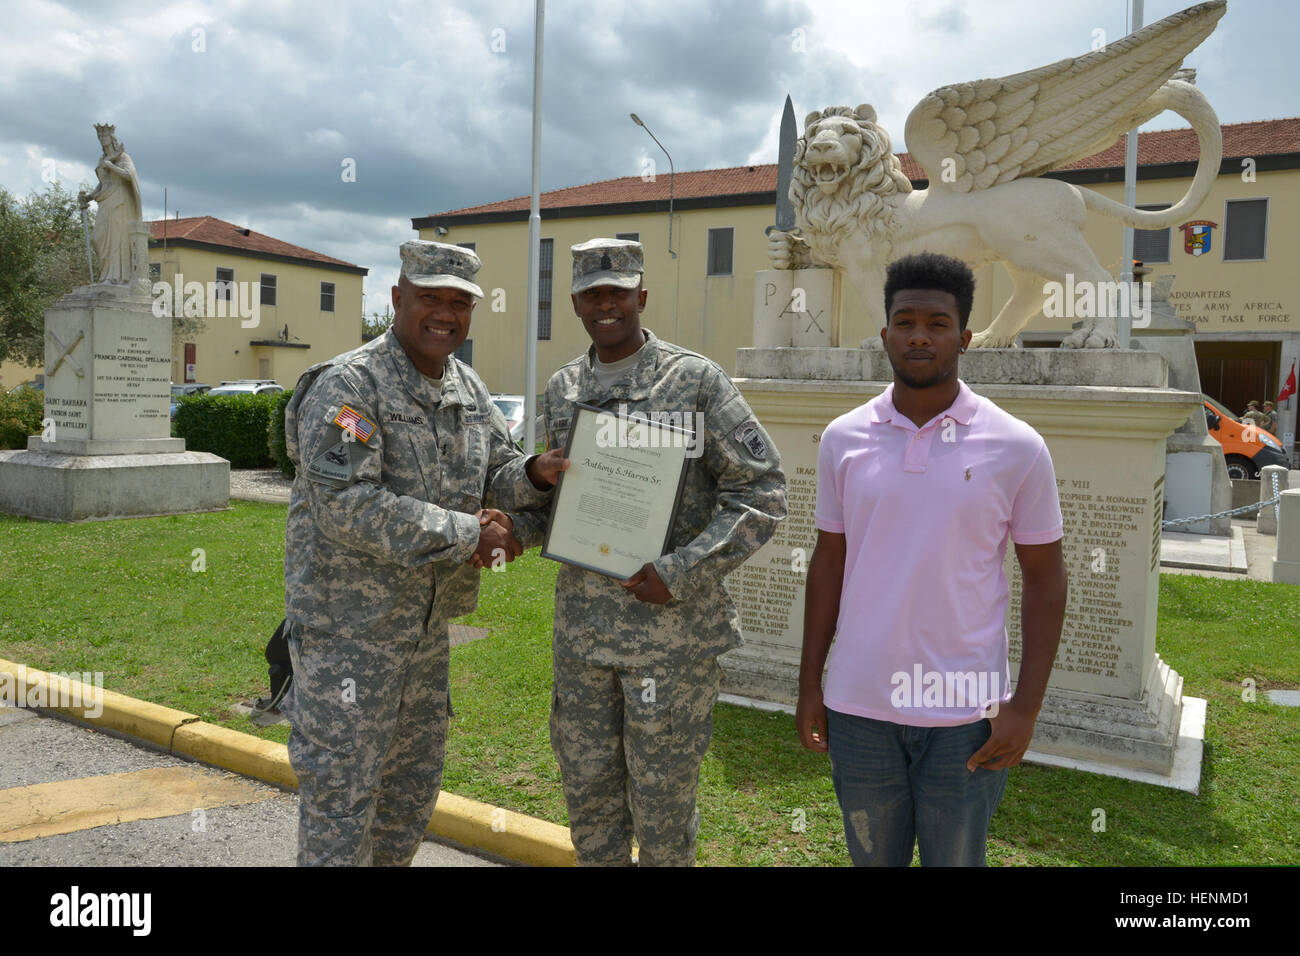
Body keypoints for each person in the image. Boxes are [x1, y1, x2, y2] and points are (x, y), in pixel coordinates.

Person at [280, 240, 564, 866]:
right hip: (347, 639)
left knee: (408, 800)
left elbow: (495, 474)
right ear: (397, 298)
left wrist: (538, 475)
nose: (445, 314)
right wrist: (470, 535)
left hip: (426, 637)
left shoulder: (467, 387)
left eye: (459, 302)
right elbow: (347, 505)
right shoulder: (349, 388)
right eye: (430, 297)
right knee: (341, 806)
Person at [797, 252, 1068, 867]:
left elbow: (1046, 581)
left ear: (965, 337)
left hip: (967, 715)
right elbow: (829, 563)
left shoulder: (1016, 445)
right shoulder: (843, 438)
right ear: (885, 333)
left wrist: (1024, 708)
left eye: (937, 323)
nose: (920, 335)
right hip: (859, 705)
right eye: (905, 321)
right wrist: (811, 682)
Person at [531, 238, 787, 866]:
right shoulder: (563, 390)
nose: (606, 304)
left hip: (669, 647)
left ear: (641, 296)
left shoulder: (696, 382)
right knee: (589, 804)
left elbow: (762, 493)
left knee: (663, 812)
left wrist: (679, 570)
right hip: (584, 642)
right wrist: (515, 515)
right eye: (593, 294)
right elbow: (555, 506)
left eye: (618, 291)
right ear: (575, 304)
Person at [78, 123, 143, 284]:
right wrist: (89, 197)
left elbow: (130, 176)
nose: (102, 139)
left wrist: (112, 167)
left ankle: (114, 276)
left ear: (112, 137)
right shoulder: (102, 159)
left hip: (119, 201)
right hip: (105, 201)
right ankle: (105, 273)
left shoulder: (122, 157)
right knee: (97, 237)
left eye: (104, 136)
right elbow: (103, 183)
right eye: (99, 136)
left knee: (116, 238)